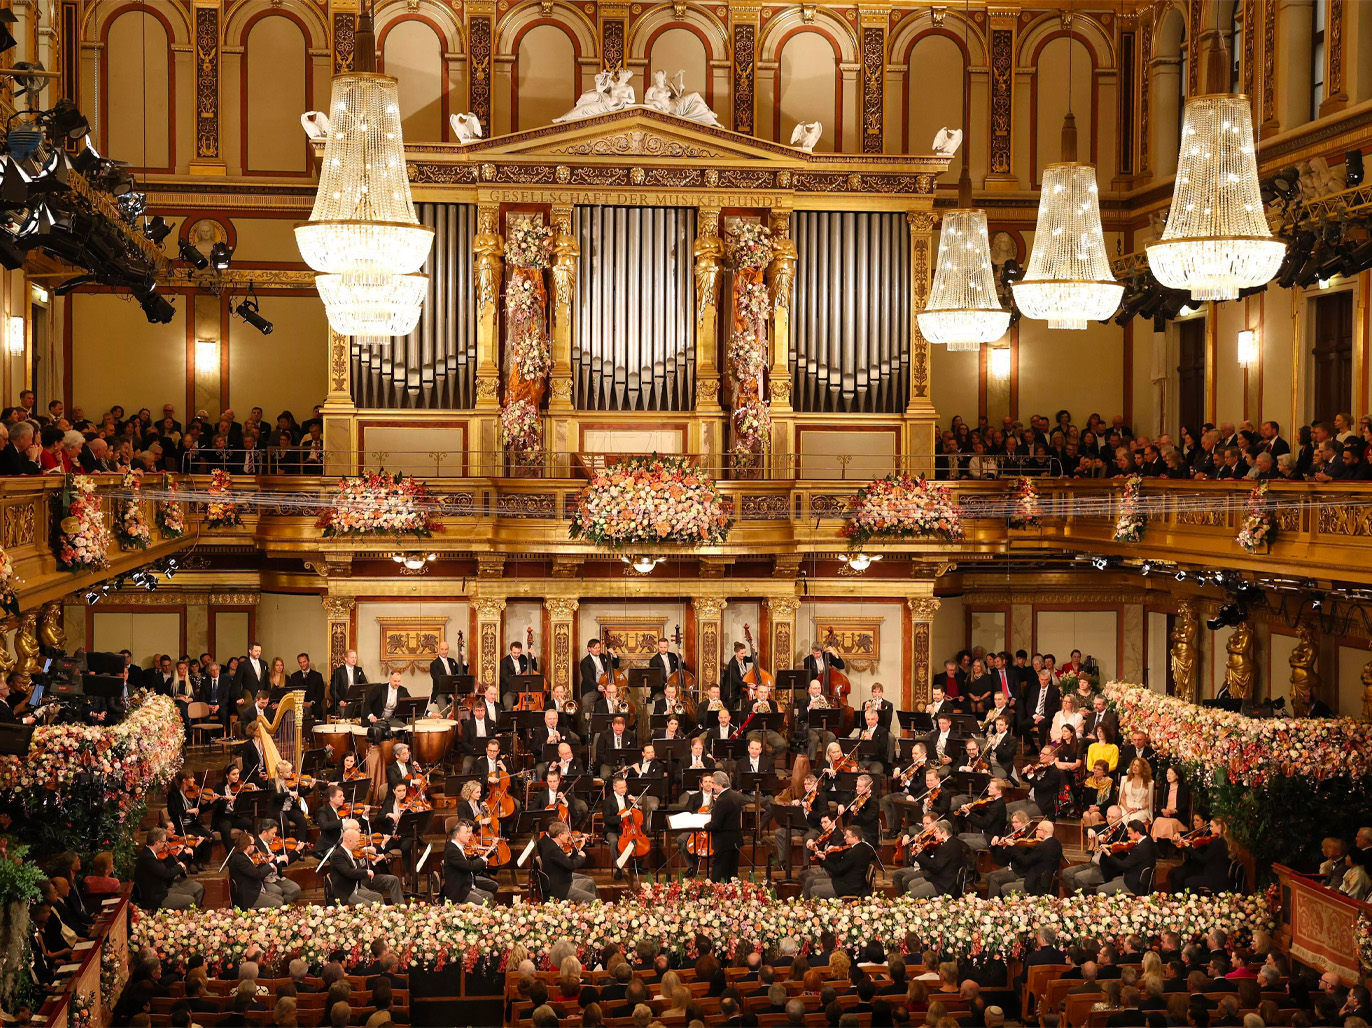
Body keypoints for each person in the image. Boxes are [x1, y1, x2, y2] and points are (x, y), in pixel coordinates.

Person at [134, 828, 206, 910]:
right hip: (155, 897)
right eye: (164, 842)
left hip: (160, 891)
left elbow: (162, 870)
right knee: (190, 900)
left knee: (194, 892)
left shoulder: (149, 853)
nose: (165, 844)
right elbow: (165, 873)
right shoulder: (148, 857)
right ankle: (184, 920)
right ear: (157, 843)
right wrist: (179, 867)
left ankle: (192, 916)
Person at [328, 827, 403, 905]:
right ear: (350, 841)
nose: (359, 843)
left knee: (377, 897)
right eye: (357, 841)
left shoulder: (351, 852)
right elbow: (348, 872)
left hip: (355, 888)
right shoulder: (338, 855)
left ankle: (383, 915)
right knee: (368, 904)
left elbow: (357, 868)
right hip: (346, 892)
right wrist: (366, 872)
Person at [803, 825, 875, 899]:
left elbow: (837, 870)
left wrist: (824, 858)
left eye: (847, 836)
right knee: (815, 882)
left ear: (855, 838)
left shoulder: (852, 853)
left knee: (814, 890)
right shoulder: (864, 847)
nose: (844, 837)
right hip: (853, 882)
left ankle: (817, 909)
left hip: (850, 887)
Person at [538, 820, 600, 903]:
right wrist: (581, 857)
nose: (569, 835)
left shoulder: (553, 845)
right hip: (561, 889)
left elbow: (567, 861)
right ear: (560, 835)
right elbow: (571, 865)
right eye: (567, 833)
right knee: (592, 899)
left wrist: (579, 849)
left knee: (590, 883)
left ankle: (588, 910)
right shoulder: (553, 850)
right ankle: (597, 908)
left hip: (564, 881)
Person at [442, 820, 496, 905]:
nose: (470, 835)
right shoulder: (452, 850)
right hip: (459, 890)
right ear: (458, 835)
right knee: (484, 902)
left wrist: (487, 854)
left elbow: (467, 862)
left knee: (490, 895)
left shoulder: (457, 846)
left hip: (466, 883)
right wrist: (482, 860)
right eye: (467, 832)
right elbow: (468, 867)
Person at [1097, 820, 1158, 895]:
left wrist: (1108, 854)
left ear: (1137, 833)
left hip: (1134, 883)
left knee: (1100, 889)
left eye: (1130, 833)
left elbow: (1123, 866)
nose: (1128, 836)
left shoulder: (1139, 849)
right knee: (1113, 879)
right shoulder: (1148, 840)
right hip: (1139, 878)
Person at [228, 833, 282, 908]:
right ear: (247, 847)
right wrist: (270, 865)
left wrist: (268, 861)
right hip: (249, 896)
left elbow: (254, 871)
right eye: (253, 844)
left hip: (254, 890)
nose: (254, 847)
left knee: (281, 899)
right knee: (279, 904)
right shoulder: (240, 860)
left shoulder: (243, 857)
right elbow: (257, 874)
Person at [708, 769, 744, 881]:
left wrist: (705, 826)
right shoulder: (736, 796)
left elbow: (716, 824)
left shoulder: (722, 799)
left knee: (719, 873)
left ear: (720, 784)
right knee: (732, 873)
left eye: (713, 783)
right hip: (735, 840)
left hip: (723, 842)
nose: (712, 786)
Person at [428, 639, 466, 715]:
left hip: (454, 692)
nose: (444, 651)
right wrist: (450, 690)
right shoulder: (434, 664)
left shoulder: (452, 661)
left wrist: (464, 660)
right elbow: (438, 680)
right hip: (441, 692)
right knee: (444, 712)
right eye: (442, 649)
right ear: (438, 649)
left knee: (461, 711)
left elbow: (461, 673)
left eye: (446, 649)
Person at [329, 650, 367, 716]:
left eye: (355, 658)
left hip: (355, 700)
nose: (354, 660)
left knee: (366, 708)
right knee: (345, 710)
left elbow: (365, 684)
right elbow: (333, 689)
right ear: (346, 659)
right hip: (342, 700)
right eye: (352, 658)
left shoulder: (359, 670)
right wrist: (340, 701)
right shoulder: (339, 671)